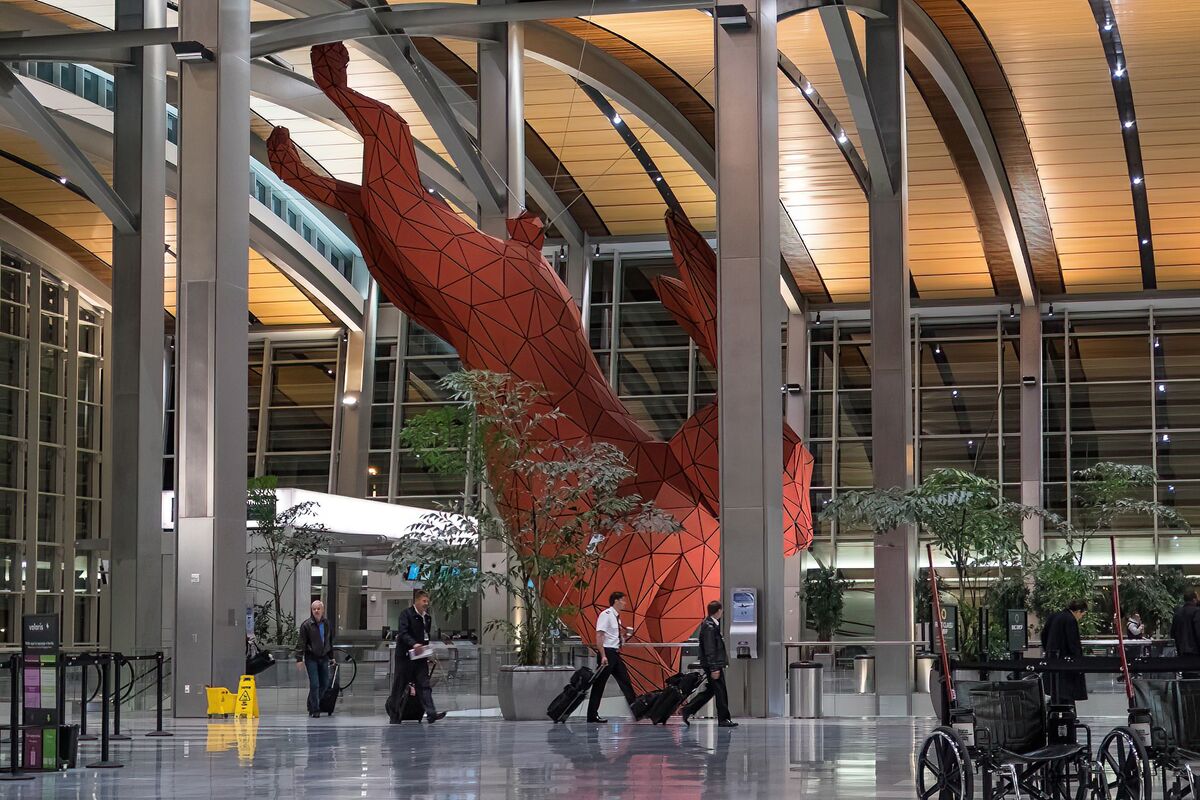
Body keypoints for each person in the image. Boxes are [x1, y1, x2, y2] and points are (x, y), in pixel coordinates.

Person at [388, 589, 446, 723]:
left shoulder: (427, 618)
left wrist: (427, 652)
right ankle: (394, 714)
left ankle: (431, 713)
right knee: (400, 685)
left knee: (424, 685)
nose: (426, 603)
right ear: (417, 601)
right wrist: (414, 644)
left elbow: (425, 637)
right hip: (405, 657)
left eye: (427, 601)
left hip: (420, 657)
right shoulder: (406, 614)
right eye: (424, 601)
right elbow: (403, 633)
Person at [681, 600, 737, 728]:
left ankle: (688, 709)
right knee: (720, 691)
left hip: (713, 664)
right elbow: (710, 648)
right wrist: (714, 667)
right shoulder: (709, 626)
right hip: (713, 664)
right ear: (719, 611)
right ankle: (723, 719)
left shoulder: (711, 624)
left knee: (712, 690)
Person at [586, 591, 638, 723]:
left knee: (625, 681)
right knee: (599, 685)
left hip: (615, 653)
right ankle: (592, 715)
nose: (625, 603)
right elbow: (599, 635)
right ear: (616, 601)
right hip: (607, 654)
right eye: (623, 600)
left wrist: (626, 636)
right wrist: (602, 655)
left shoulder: (617, 618)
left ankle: (638, 711)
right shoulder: (606, 615)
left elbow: (616, 638)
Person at [1040, 599, 1088, 708]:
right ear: (1078, 611)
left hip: (1052, 660)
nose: (1081, 617)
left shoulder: (1054, 616)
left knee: (1055, 691)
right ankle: (1068, 716)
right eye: (1082, 614)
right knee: (1067, 693)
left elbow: (1043, 635)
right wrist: (1079, 661)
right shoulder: (1071, 620)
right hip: (1066, 663)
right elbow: (1073, 643)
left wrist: (1048, 650)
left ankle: (1056, 714)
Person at [295, 600, 335, 719]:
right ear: (311, 610)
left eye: (318, 609)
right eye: (314, 609)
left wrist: (331, 657)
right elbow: (301, 642)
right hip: (311, 657)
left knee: (325, 683)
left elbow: (329, 641)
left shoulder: (327, 624)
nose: (316, 611)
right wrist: (299, 659)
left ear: (322, 610)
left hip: (324, 657)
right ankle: (315, 709)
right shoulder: (306, 625)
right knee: (315, 684)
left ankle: (311, 702)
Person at [1169, 590, 1200, 678]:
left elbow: (1173, 633)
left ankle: (1186, 691)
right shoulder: (1197, 611)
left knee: (1186, 677)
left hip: (1182, 652)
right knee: (1196, 679)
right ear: (1194, 599)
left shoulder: (1178, 613)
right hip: (1195, 652)